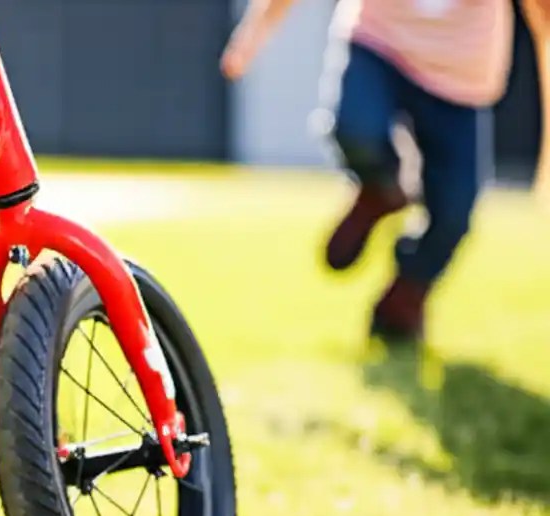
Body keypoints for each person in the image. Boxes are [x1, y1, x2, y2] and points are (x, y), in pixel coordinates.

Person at [221, 0, 550, 343]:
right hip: (380, 42)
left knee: (454, 212)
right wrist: (250, 37)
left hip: (460, 76)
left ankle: (407, 293)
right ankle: (381, 189)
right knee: (356, 127)